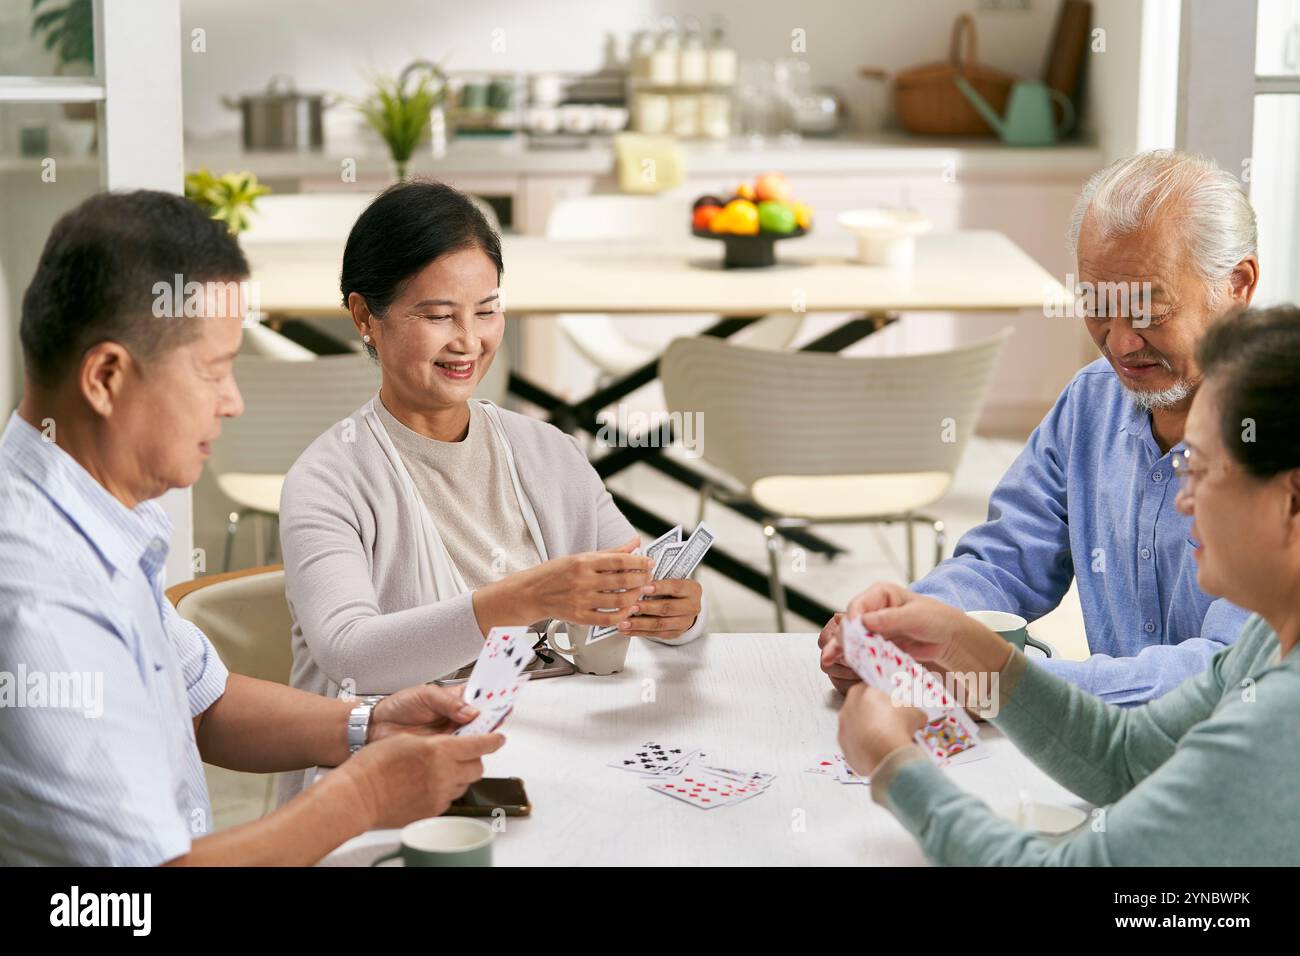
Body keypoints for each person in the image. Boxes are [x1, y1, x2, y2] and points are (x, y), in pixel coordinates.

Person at [0, 191, 502, 865]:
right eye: (214, 371)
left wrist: (369, 723)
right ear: (107, 377)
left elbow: (205, 703)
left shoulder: (90, 516)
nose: (233, 402)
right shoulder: (40, 604)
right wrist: (360, 800)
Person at [278, 180, 706, 797]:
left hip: (546, 747)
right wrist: (523, 597)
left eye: (486, 310)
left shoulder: (546, 450)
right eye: (436, 316)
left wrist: (679, 614)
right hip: (394, 775)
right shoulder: (328, 479)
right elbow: (351, 656)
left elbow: (638, 575)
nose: (469, 340)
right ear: (364, 316)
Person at [837, 306, 1300, 864]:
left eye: (1200, 470)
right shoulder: (1267, 642)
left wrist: (894, 765)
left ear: (1291, 500)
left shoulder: (1280, 715)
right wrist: (962, 643)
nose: (1182, 498)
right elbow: (1128, 756)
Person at [822, 150, 1259, 705]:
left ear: (1236, 286)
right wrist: (903, 631)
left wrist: (1010, 686)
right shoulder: (1091, 401)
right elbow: (1005, 561)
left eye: (1148, 311)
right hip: (1116, 756)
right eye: (1097, 305)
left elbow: (1230, 674)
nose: (1120, 343)